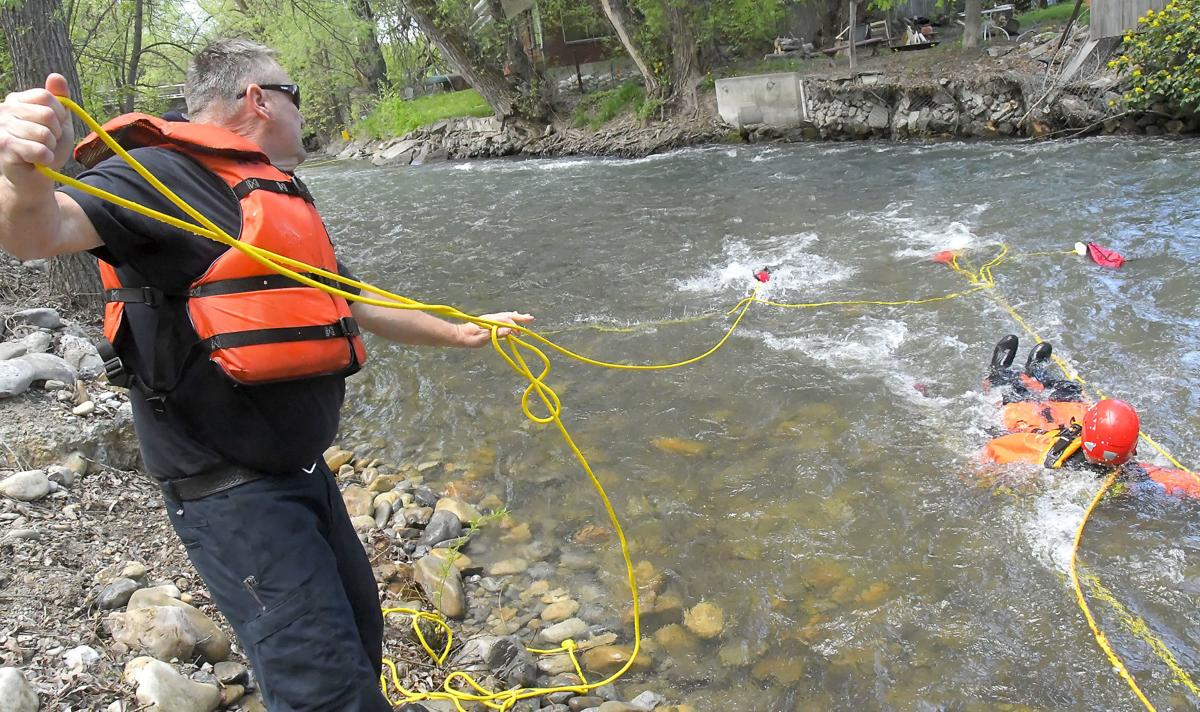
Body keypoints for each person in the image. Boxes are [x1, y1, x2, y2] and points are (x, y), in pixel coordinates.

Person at [0, 39, 532, 711]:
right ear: (259, 99)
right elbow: (37, 234)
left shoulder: (266, 186)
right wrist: (23, 174)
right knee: (324, 693)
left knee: (359, 649)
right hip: (234, 500)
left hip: (307, 478)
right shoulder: (156, 173)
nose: (302, 112)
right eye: (296, 96)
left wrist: (457, 330)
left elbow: (349, 296)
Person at [981, 335, 1200, 498]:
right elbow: (1185, 482)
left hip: (1042, 433)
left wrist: (980, 476)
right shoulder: (1137, 471)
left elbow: (993, 451)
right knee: (1068, 390)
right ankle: (1037, 372)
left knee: (1016, 393)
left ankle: (1000, 372)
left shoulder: (1039, 451)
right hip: (1067, 431)